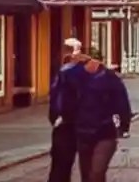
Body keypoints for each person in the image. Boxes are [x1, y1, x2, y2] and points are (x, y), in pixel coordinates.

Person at [56, 47, 133, 182]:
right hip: (83, 131)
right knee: (87, 175)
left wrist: (124, 125)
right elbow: (64, 99)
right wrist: (65, 117)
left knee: (96, 172)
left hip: (105, 131)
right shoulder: (74, 76)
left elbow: (122, 102)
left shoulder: (109, 78)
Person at [47, 38, 83, 182]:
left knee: (62, 162)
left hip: (69, 122)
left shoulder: (70, 70)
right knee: (62, 162)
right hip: (67, 123)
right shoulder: (65, 70)